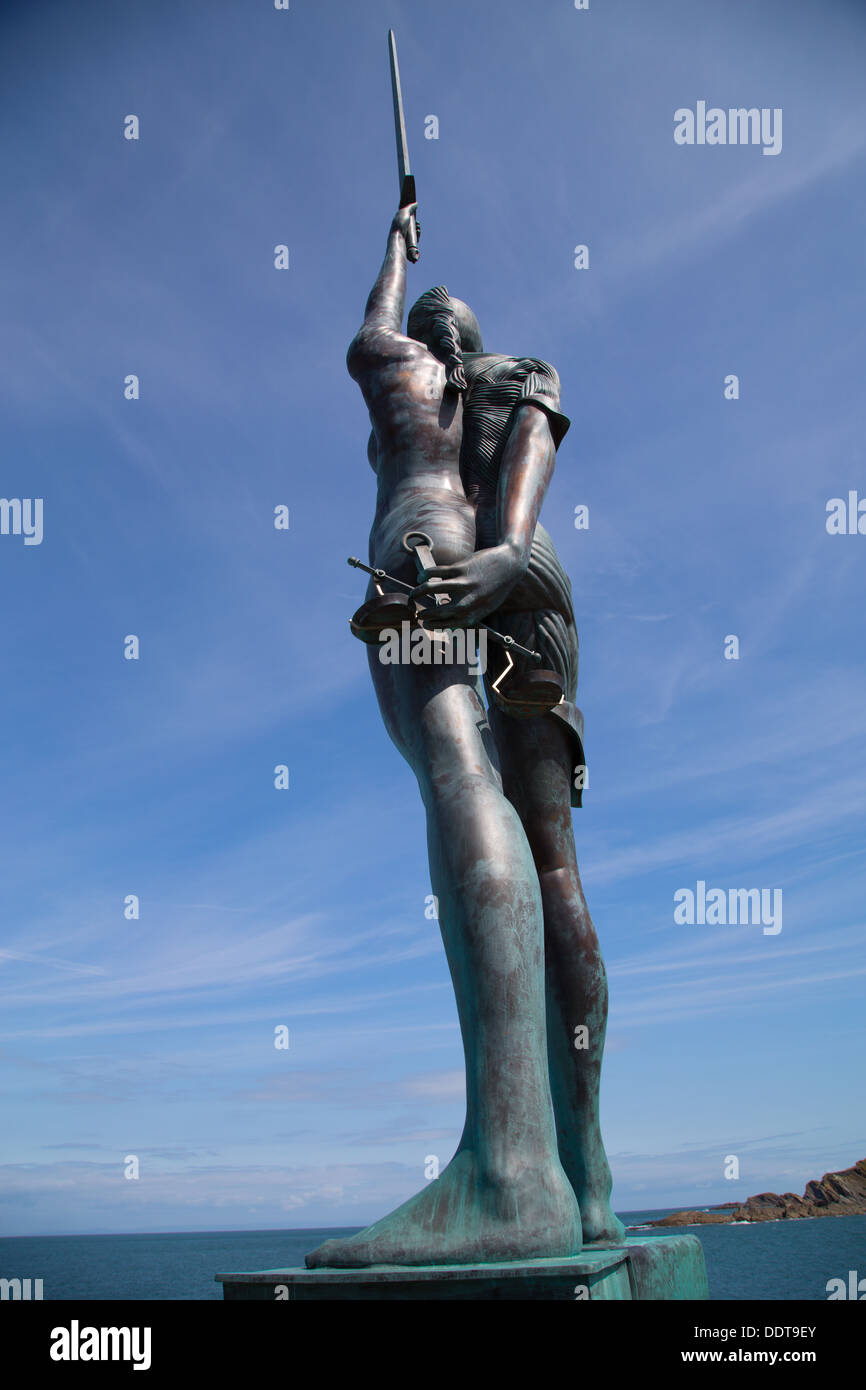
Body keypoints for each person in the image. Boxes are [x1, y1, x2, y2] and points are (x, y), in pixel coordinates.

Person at [306, 207, 582, 1268]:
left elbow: (366, 319)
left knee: (455, 773)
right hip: (475, 542)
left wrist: (392, 242)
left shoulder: (394, 363)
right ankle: (552, 1166)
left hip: (413, 536)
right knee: (492, 791)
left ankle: (508, 1169)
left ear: (425, 337)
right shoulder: (484, 389)